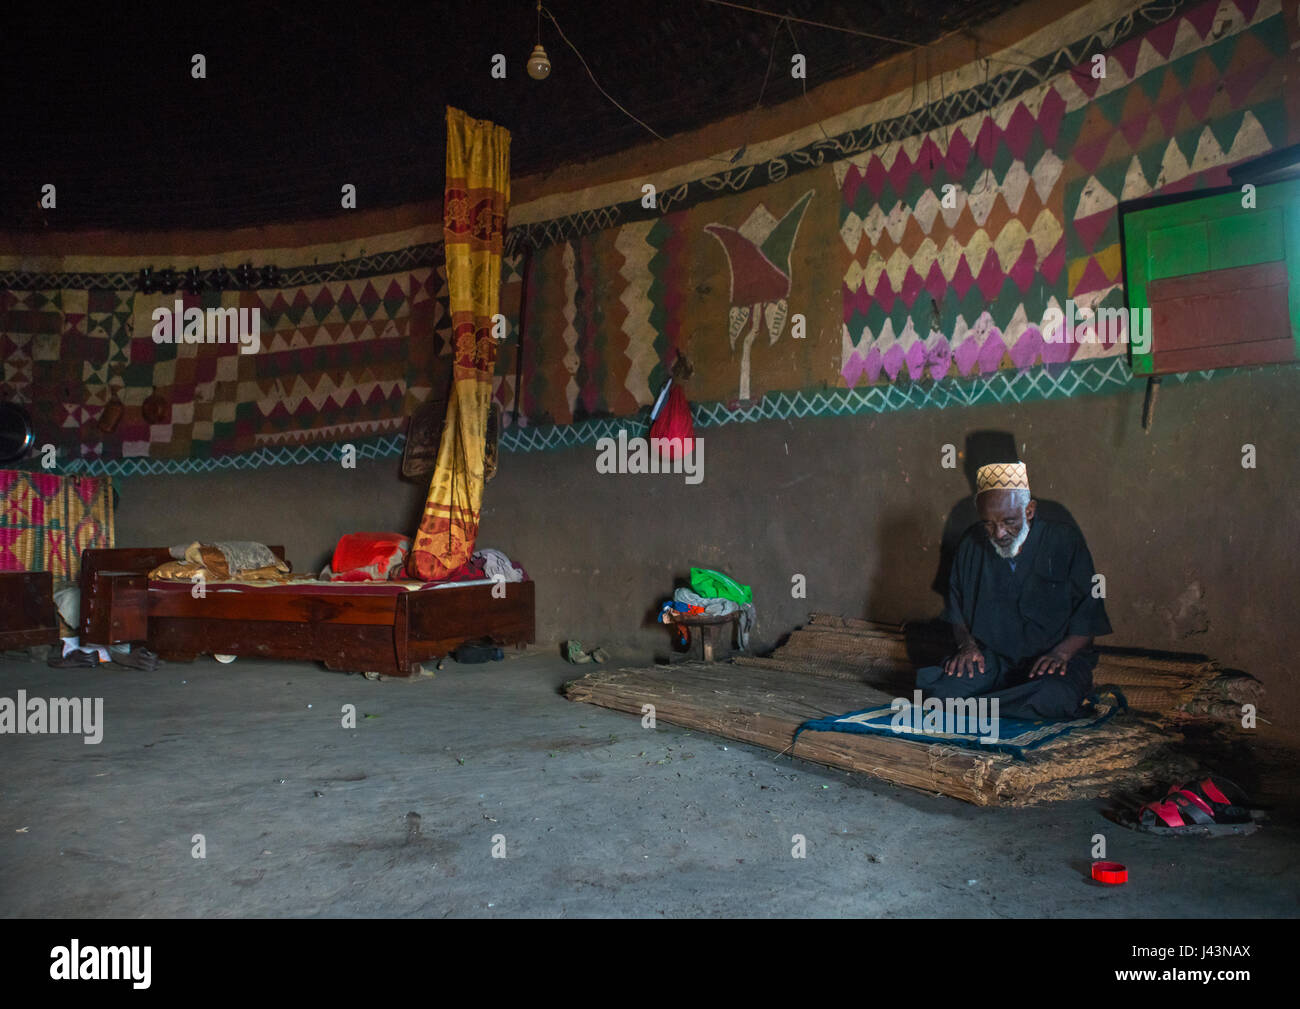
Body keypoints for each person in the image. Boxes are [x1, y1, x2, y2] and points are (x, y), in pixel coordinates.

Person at [915, 461, 1112, 720]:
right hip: (994, 661)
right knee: (937, 690)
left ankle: (977, 710)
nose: (998, 533)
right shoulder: (971, 544)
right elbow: (956, 609)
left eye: (1009, 521)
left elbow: (1088, 614)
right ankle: (1009, 708)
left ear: (1029, 511)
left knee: (1053, 696)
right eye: (988, 523)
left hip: (1048, 662)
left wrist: (1062, 653)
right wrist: (967, 646)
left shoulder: (1064, 540)